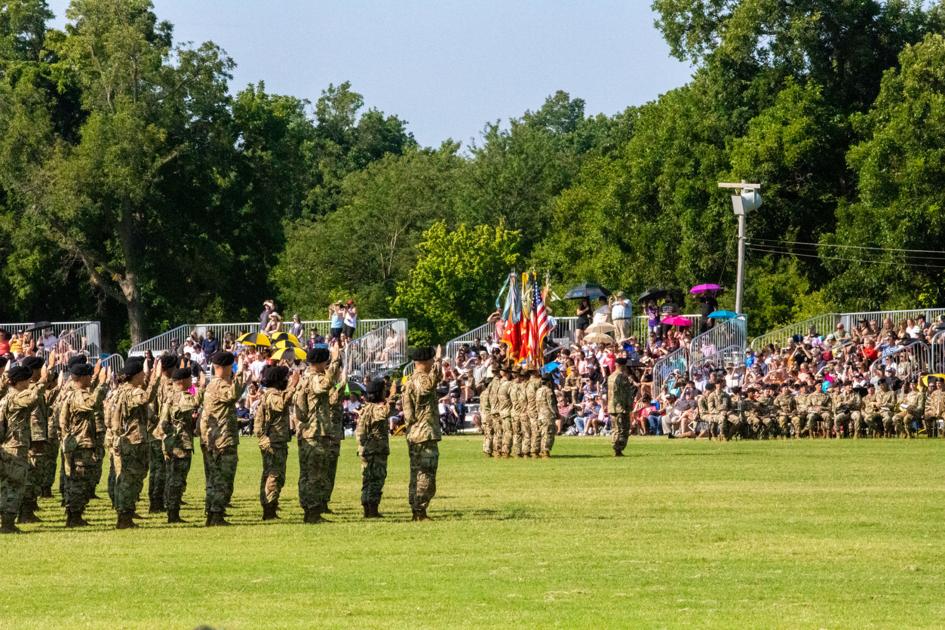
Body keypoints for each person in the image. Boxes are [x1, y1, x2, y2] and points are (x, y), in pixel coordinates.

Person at [108, 358, 161, 529]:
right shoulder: (132, 392)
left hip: (124, 440)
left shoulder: (118, 391)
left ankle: (124, 514)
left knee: (126, 478)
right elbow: (147, 397)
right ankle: (124, 517)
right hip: (133, 441)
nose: (144, 376)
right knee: (130, 480)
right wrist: (156, 377)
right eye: (142, 374)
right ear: (136, 375)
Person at [293, 344, 342, 523]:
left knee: (307, 474)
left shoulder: (304, 379)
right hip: (316, 432)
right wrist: (336, 360)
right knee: (316, 474)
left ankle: (309, 510)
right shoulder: (315, 378)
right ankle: (313, 513)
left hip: (307, 431)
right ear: (322, 362)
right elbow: (326, 385)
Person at [58, 361, 108, 528]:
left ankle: (74, 515)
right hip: (80, 444)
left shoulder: (73, 393)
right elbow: (92, 404)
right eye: (89, 376)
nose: (91, 378)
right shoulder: (79, 395)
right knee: (79, 481)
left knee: (78, 480)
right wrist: (102, 384)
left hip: (78, 443)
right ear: (83, 377)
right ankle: (74, 517)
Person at [200, 351, 247, 526]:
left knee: (214, 478)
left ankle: (212, 513)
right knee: (223, 479)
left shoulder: (213, 384)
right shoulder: (219, 385)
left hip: (215, 438)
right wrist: (240, 372)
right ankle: (216, 514)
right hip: (221, 439)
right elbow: (232, 395)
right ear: (227, 367)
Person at [0, 365, 45, 533]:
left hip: (9, 446)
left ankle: (7, 522)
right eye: (27, 380)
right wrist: (43, 381)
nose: (28, 384)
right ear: (19, 381)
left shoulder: (6, 398)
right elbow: (33, 398)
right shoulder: (15, 397)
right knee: (15, 485)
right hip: (15, 447)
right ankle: (7, 524)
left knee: (8, 485)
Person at [402, 345, 442, 521]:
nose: (433, 363)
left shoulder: (411, 379)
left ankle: (417, 509)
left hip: (416, 432)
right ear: (425, 362)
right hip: (424, 433)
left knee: (417, 473)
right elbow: (428, 387)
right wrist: (438, 362)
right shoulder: (420, 379)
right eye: (431, 360)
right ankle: (419, 510)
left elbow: (435, 380)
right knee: (425, 473)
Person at [159, 368, 206, 523]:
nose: (191, 382)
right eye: (189, 379)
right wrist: (201, 387)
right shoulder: (181, 396)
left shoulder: (171, 395)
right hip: (179, 443)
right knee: (177, 479)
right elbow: (195, 402)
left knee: (172, 477)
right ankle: (173, 513)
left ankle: (171, 509)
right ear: (182, 381)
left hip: (170, 442)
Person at [254, 364, 299, 520]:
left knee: (272, 474)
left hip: (276, 441)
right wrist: (293, 385)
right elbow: (282, 403)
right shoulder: (272, 395)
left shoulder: (273, 393)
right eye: (284, 378)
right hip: (273, 442)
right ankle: (269, 509)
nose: (287, 380)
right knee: (274, 475)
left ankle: (270, 506)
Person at [18, 354, 57, 524]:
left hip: (38, 435)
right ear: (34, 370)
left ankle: (30, 505)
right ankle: (25, 510)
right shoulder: (27, 388)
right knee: (31, 472)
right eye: (40, 368)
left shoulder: (33, 386)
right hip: (32, 435)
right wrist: (49, 370)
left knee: (36, 472)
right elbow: (39, 390)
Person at [356, 379, 396, 518]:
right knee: (376, 479)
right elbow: (386, 412)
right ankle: (372, 509)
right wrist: (393, 395)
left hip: (366, 450)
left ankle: (367, 508)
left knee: (367, 479)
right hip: (376, 450)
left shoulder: (365, 408)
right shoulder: (375, 408)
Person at [606, 357, 635, 456]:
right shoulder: (622, 377)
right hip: (621, 407)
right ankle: (618, 449)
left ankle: (615, 446)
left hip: (612, 406)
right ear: (623, 365)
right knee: (623, 429)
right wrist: (629, 406)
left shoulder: (610, 377)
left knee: (615, 428)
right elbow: (626, 393)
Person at [536, 373, 559, 457]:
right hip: (547, 415)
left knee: (542, 433)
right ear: (549, 381)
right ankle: (545, 451)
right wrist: (556, 413)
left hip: (540, 415)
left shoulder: (538, 391)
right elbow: (551, 404)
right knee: (548, 434)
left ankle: (541, 450)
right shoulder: (548, 391)